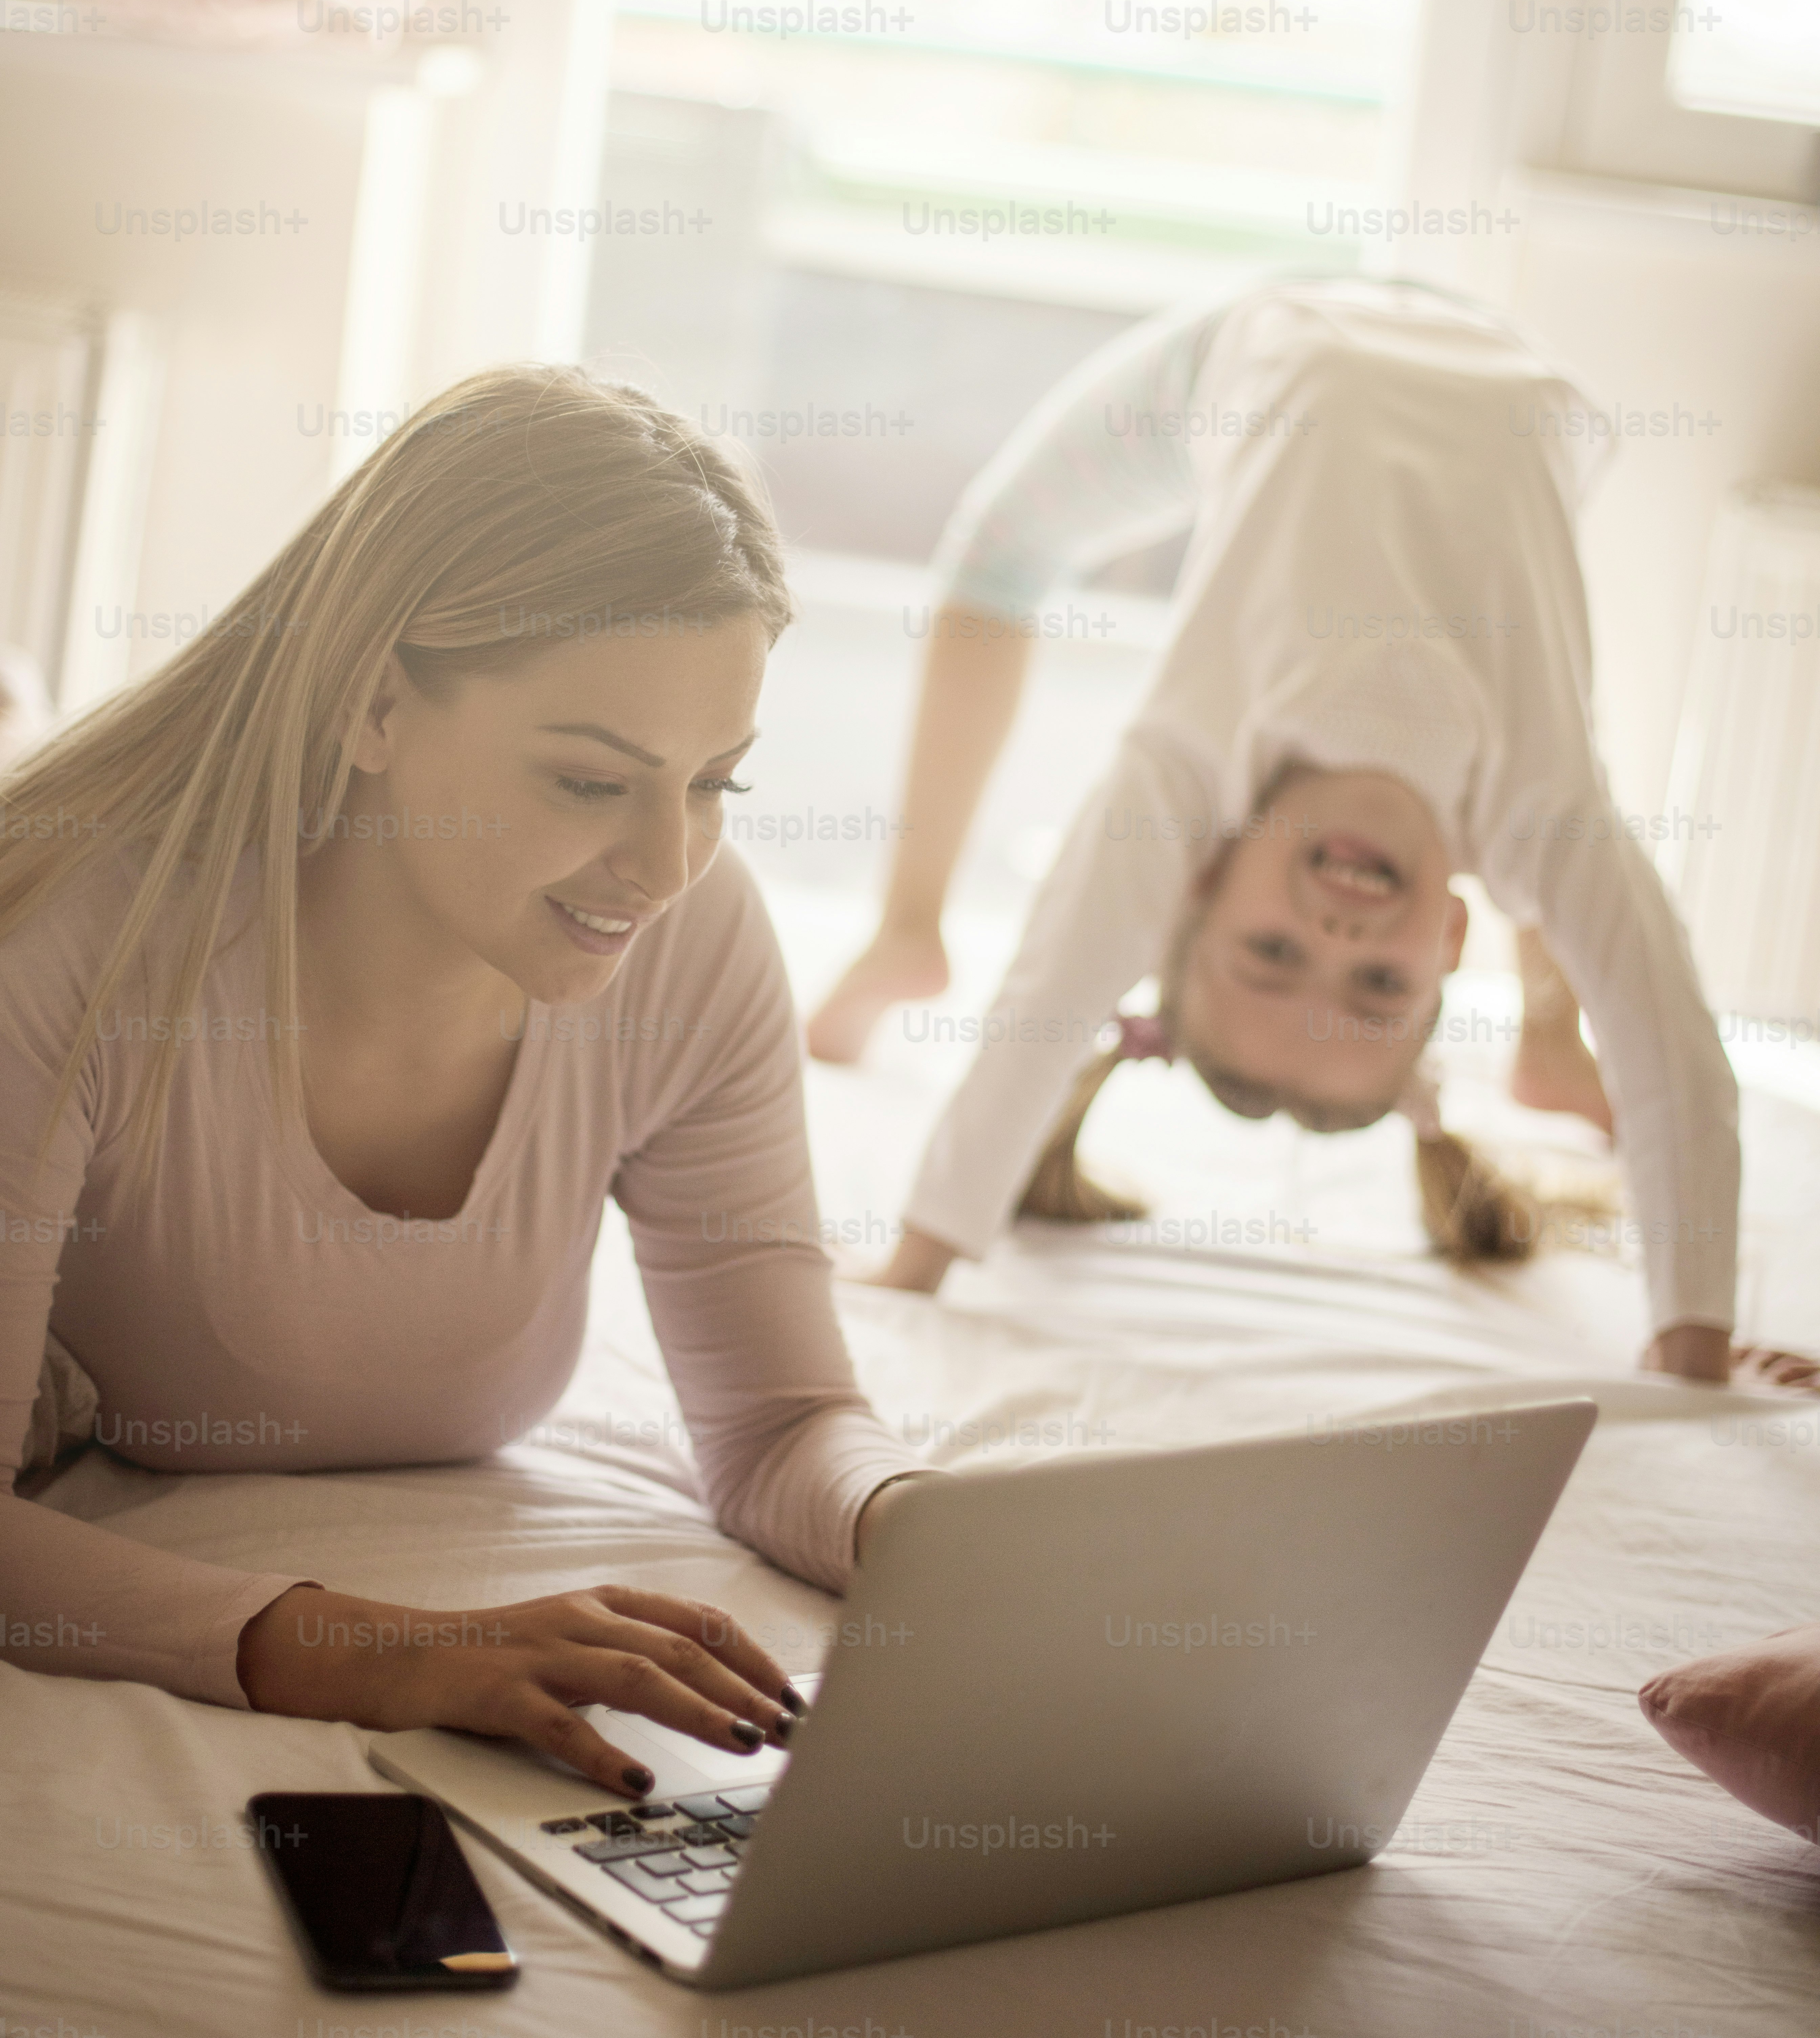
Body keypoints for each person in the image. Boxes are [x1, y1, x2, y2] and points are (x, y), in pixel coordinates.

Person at [0, 370, 927, 1797]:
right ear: (375, 701)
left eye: (714, 784)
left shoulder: (694, 936)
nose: (666, 864)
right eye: (588, 780)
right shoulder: (83, 938)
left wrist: (937, 1530)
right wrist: (378, 1647)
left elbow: (781, 1419)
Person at [809, 279, 1814, 1390]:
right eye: (1377, 984)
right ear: (1446, 939)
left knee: (998, 553)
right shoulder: (1535, 810)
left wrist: (921, 1253)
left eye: (1275, 955)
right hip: (1512, 390)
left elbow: (1056, 988)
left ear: (1195, 885)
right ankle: (1549, 1027)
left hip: (1272, 336)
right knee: (1568, 754)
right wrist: (1695, 1344)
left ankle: (909, 925)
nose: (1336, 930)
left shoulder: (1193, 770)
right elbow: (1673, 1048)